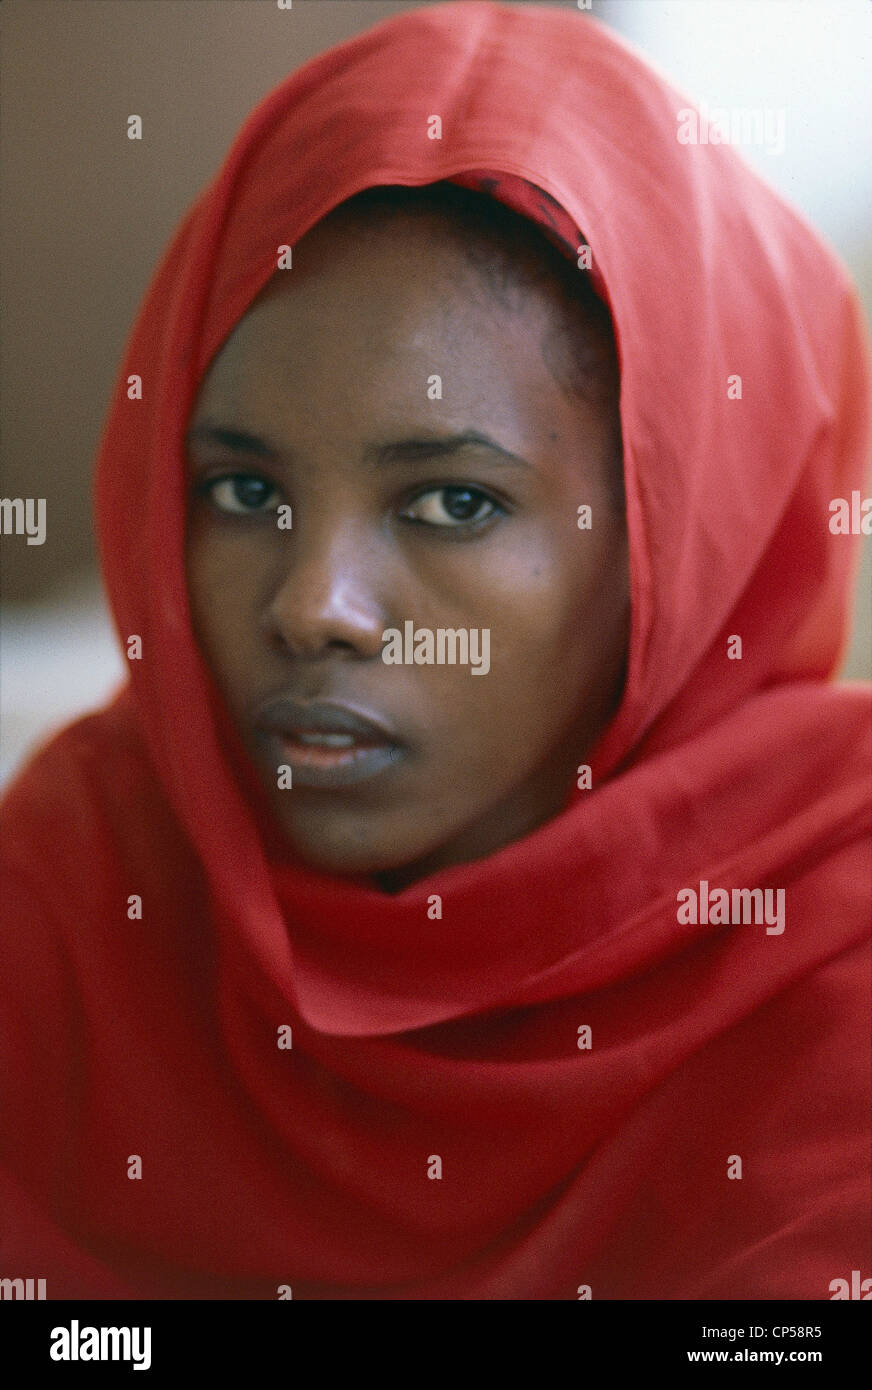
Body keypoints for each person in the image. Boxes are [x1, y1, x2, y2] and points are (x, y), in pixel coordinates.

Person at [1, 0, 869, 1300]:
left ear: (675, 546)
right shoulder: (86, 876)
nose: (317, 605)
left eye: (453, 501)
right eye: (243, 491)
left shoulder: (827, 950)